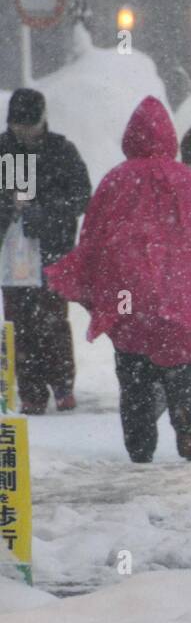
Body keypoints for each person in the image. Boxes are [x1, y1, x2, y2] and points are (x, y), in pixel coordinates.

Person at [47, 96, 191, 463]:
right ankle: (184, 414)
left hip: (127, 298)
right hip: (179, 298)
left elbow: (93, 239)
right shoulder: (188, 182)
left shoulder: (116, 180)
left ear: (130, 137)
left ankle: (139, 444)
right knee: (182, 365)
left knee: (133, 374)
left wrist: (84, 280)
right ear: (170, 138)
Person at [0, 88, 91, 414]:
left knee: (52, 320)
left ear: (42, 121)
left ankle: (62, 383)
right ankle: (31, 392)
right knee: (19, 323)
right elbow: (10, 198)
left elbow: (81, 196)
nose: (22, 133)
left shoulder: (61, 151)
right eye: (16, 126)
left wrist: (48, 213)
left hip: (53, 253)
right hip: (14, 257)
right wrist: (10, 206)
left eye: (29, 126)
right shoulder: (7, 152)